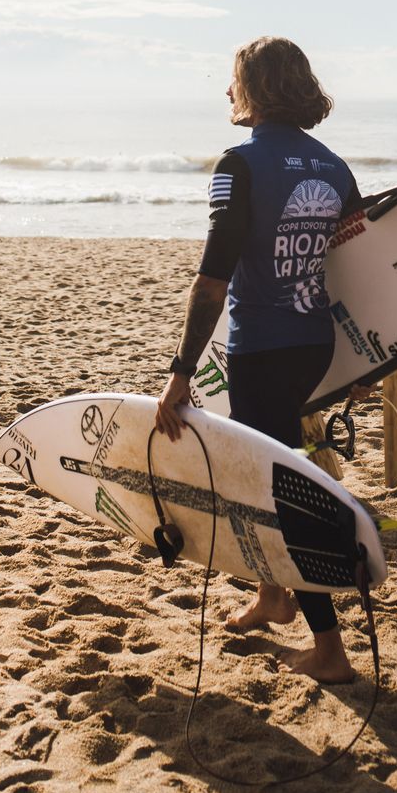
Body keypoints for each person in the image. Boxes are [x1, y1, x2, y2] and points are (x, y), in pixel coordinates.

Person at [155, 36, 361, 683]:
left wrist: (181, 373)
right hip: (314, 343)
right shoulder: (334, 167)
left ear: (257, 88)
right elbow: (355, 268)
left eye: (234, 79)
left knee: (276, 493)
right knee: (269, 472)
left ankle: (329, 650)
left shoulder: (238, 165)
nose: (226, 91)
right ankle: (272, 596)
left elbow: (213, 279)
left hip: (263, 349)